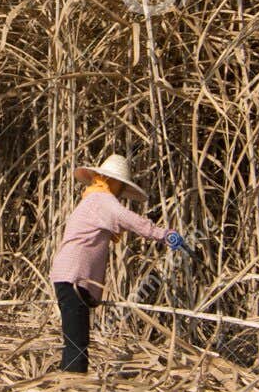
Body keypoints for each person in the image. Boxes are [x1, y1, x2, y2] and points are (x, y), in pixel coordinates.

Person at [48, 154, 188, 373]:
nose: (120, 190)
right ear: (112, 182)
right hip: (73, 275)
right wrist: (164, 234)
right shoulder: (102, 200)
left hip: (69, 275)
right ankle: (72, 391)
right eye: (120, 185)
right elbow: (131, 220)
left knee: (75, 339)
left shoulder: (92, 199)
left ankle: (69, 385)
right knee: (77, 342)